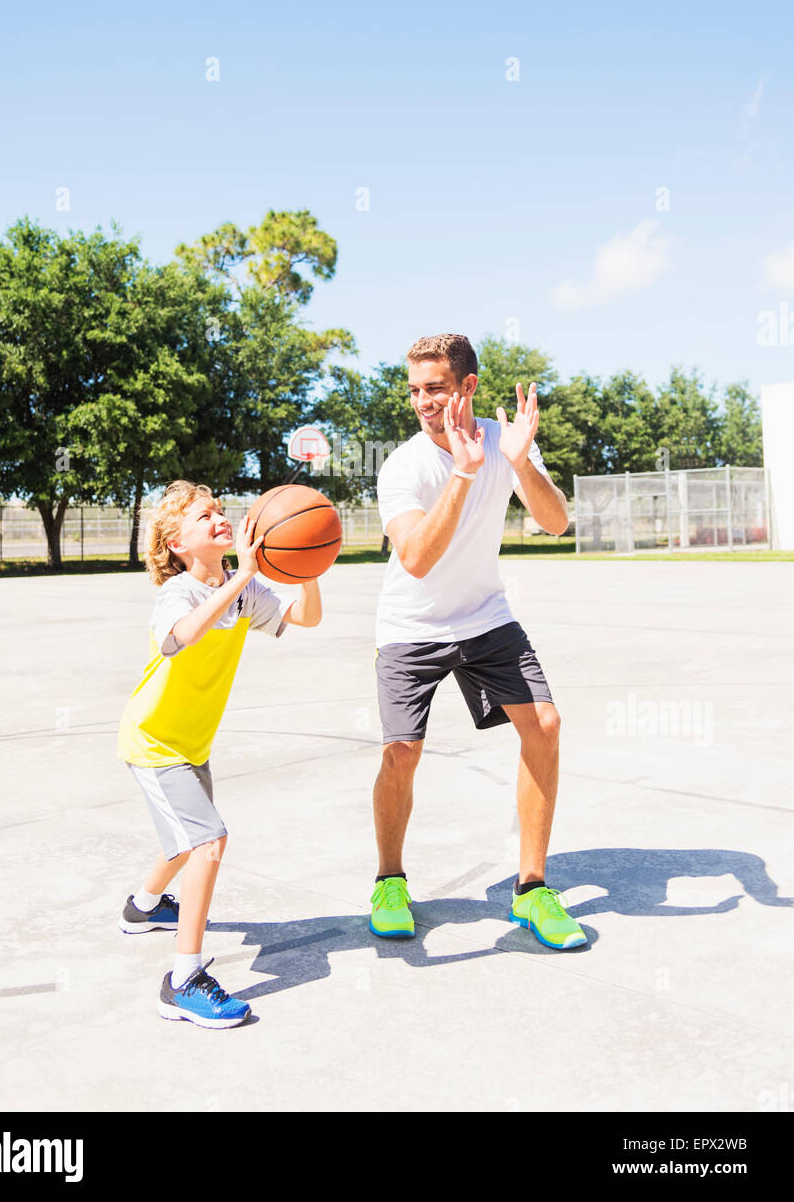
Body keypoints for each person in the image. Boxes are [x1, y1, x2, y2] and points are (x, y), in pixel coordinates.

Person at [370, 333, 586, 949]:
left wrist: (518, 461)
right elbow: (414, 558)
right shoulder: (403, 466)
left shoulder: (504, 442)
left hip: (486, 616)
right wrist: (463, 473)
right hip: (412, 625)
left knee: (544, 726)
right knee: (401, 754)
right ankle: (389, 880)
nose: (421, 402)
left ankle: (533, 889)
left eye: (434, 388)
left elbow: (555, 521)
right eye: (414, 390)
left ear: (467, 386)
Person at [117, 479, 322, 1028]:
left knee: (184, 844)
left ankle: (143, 907)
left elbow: (305, 617)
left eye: (219, 510)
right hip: (154, 742)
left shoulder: (241, 587)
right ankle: (182, 980)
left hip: (190, 742)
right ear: (179, 545)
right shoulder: (180, 592)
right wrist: (252, 575)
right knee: (208, 840)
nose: (220, 518)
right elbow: (181, 635)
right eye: (204, 516)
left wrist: (309, 564)